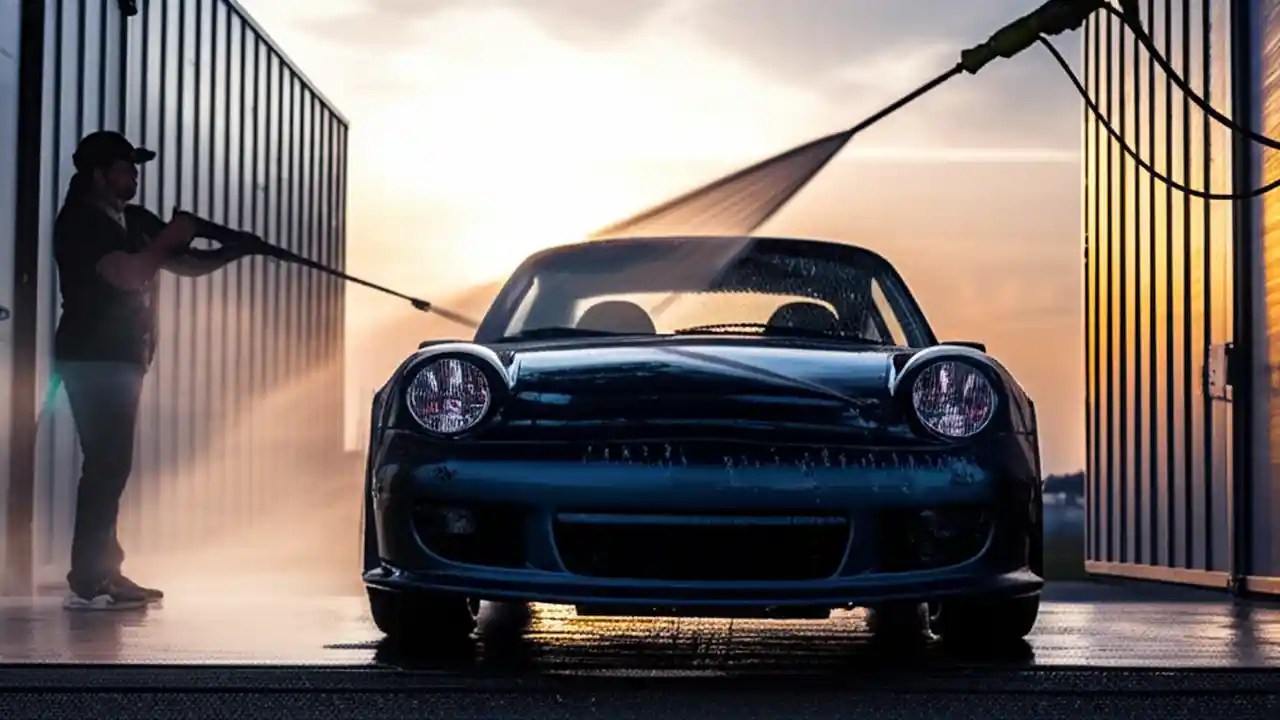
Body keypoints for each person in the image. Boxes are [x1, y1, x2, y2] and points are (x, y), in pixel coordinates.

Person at [54, 130, 270, 611]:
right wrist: (171, 236)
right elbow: (128, 273)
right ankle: (93, 574)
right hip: (94, 357)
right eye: (125, 167)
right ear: (98, 175)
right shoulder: (82, 222)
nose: (135, 174)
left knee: (112, 465)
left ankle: (102, 570)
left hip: (122, 359)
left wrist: (235, 249)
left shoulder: (131, 221)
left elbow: (183, 264)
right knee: (106, 465)